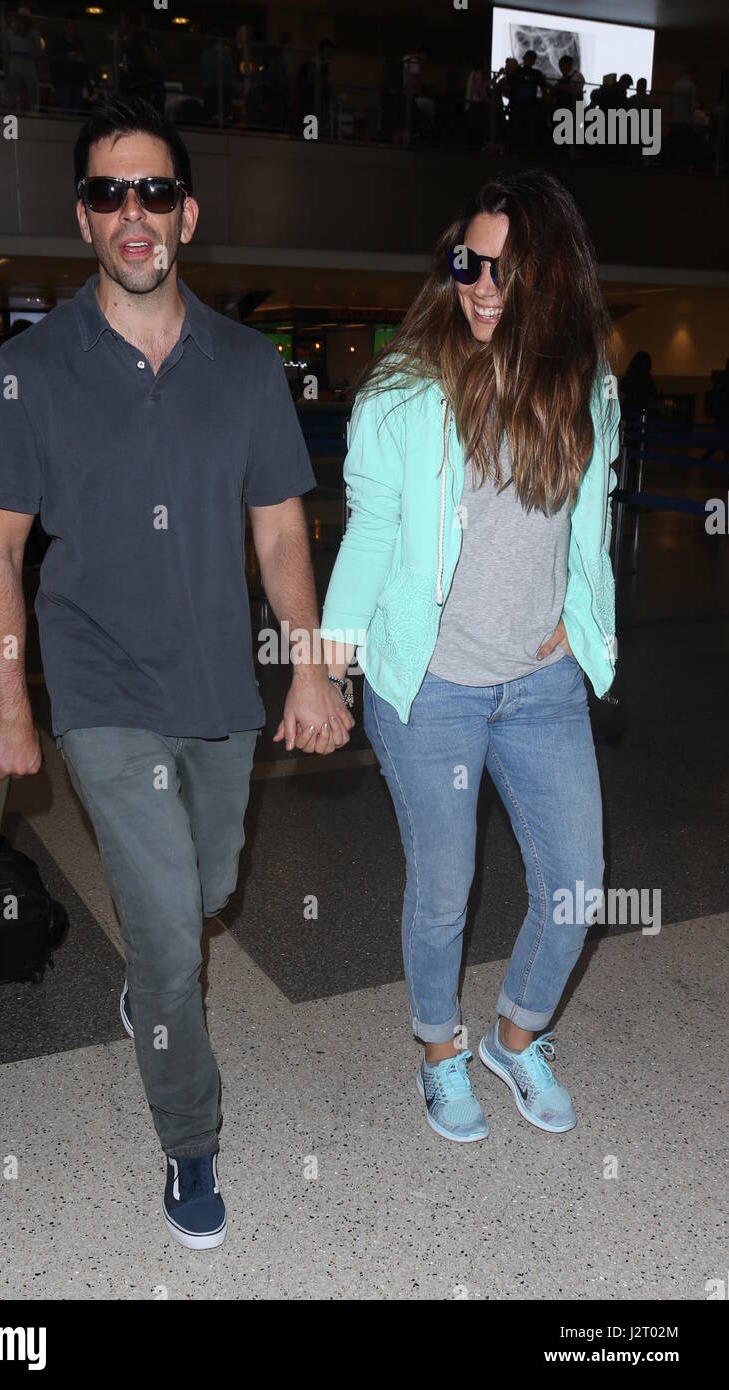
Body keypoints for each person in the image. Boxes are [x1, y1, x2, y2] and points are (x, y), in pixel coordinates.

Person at [0, 97, 354, 1250]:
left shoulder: (241, 365)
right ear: (84, 219)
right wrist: (13, 707)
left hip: (219, 693)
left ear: (186, 212)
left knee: (209, 889)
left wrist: (308, 670)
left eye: (151, 192)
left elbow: (281, 532)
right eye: (106, 194)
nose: (131, 215)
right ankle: (190, 1140)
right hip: (98, 692)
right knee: (174, 936)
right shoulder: (34, 369)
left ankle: (160, 974)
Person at [321, 171, 620, 1144]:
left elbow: (588, 525)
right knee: (443, 889)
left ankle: (514, 1035)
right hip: (435, 686)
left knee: (575, 883)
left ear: (552, 276)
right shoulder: (409, 390)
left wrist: (579, 619)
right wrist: (328, 652)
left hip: (541, 685)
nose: (482, 287)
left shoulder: (587, 388)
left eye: (505, 269)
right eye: (468, 265)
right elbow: (371, 531)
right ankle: (440, 1054)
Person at [504, 49, 547, 150]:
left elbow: (507, 89)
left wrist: (512, 100)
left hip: (516, 108)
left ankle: (515, 152)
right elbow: (544, 92)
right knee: (528, 134)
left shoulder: (516, 73)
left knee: (516, 134)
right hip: (530, 109)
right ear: (534, 61)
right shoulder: (537, 74)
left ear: (525, 58)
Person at [7, 6, 43, 114]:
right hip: (18, 66)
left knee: (31, 93)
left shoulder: (33, 33)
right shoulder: (12, 32)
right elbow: (7, 48)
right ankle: (18, 112)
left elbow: (39, 52)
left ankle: (32, 113)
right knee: (18, 93)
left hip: (24, 66)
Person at [49, 19, 88, 115]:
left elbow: (85, 58)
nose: (71, 29)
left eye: (73, 26)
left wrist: (78, 57)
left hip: (77, 78)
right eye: (69, 26)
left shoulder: (79, 42)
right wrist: (65, 56)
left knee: (76, 106)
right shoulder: (58, 41)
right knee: (65, 106)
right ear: (65, 27)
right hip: (63, 78)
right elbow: (53, 58)